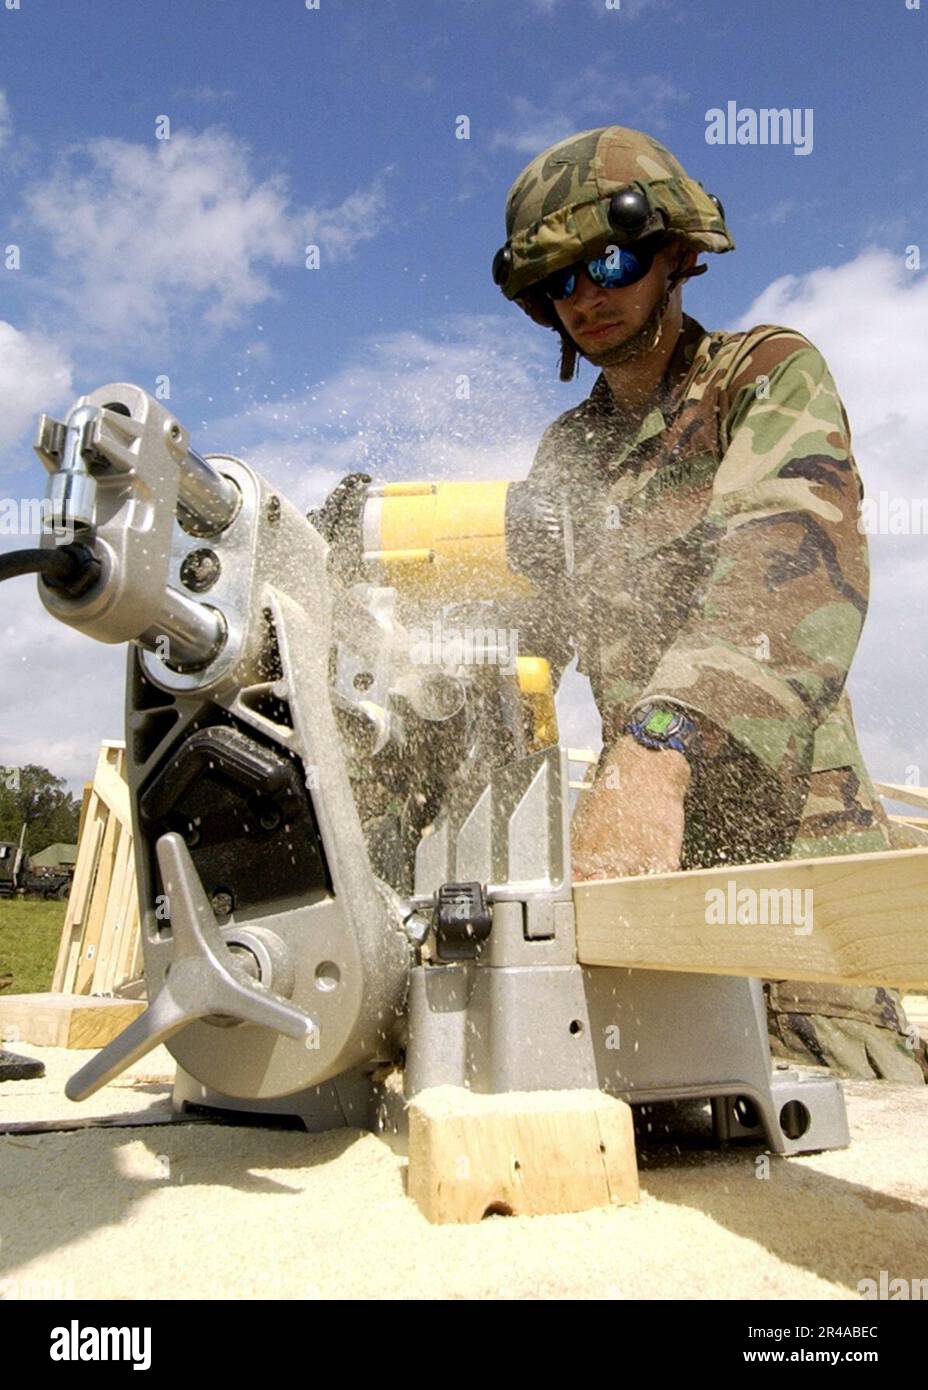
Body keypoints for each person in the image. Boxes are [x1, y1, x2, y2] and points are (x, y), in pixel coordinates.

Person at [491, 124, 927, 1084]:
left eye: (609, 259)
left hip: (799, 881)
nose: (588, 297)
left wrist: (652, 756)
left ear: (677, 252)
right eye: (560, 281)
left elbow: (794, 562)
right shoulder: (566, 454)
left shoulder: (763, 374)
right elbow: (528, 636)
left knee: (853, 1139)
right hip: (647, 891)